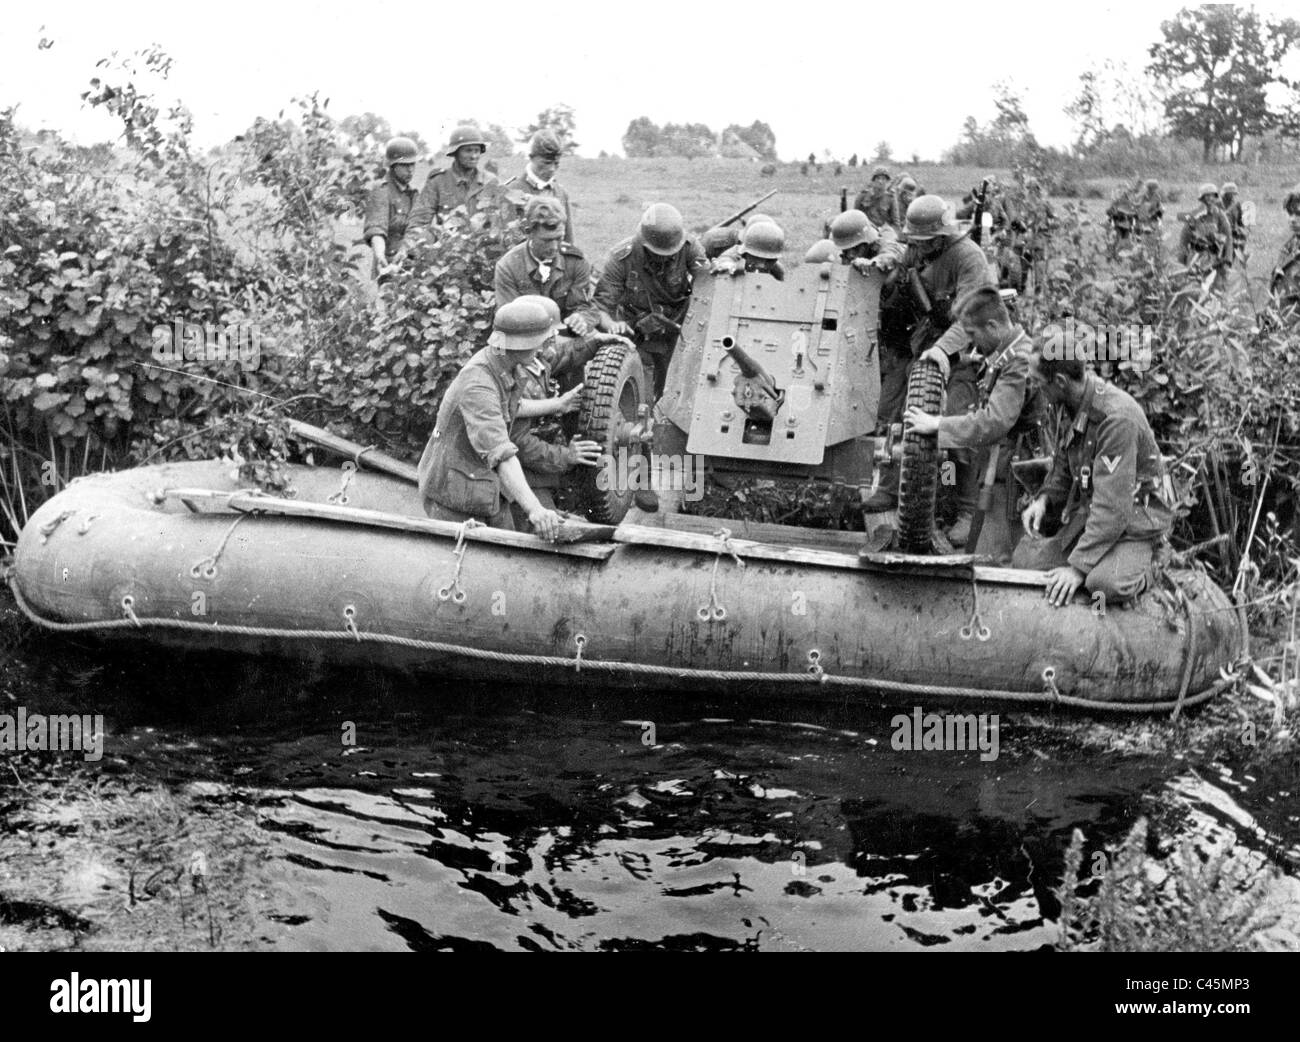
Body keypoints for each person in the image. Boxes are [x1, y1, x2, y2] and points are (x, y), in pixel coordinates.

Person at [863, 195, 995, 549]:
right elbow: (898, 260)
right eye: (914, 243)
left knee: (956, 428)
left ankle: (962, 511)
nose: (917, 248)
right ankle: (892, 489)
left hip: (966, 352)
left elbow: (971, 318)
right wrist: (881, 265)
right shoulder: (920, 251)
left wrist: (941, 350)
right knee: (902, 415)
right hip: (928, 348)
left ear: (940, 237)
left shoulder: (969, 258)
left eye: (923, 242)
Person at [416, 296, 601, 539]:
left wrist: (557, 404)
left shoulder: (505, 363)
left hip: (483, 482)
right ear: (521, 343)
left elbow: (512, 406)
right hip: (455, 495)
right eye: (539, 342)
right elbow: (501, 454)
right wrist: (535, 509)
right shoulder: (478, 385)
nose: (543, 348)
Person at [1011, 348, 1172, 606]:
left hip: (1134, 522)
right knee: (1025, 561)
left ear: (1060, 382)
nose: (1037, 389)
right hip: (1094, 516)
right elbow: (1064, 465)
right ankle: (1095, 560)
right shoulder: (1069, 404)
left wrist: (1077, 569)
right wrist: (1043, 500)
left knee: (1103, 584)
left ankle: (1154, 562)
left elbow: (1113, 507)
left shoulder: (1116, 419)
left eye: (1039, 383)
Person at [903, 287, 1039, 563]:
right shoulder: (1004, 354)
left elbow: (995, 421)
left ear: (992, 325)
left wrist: (938, 424)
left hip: (1015, 476)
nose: (973, 344)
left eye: (973, 334)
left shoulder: (1019, 360)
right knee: (978, 552)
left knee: (992, 559)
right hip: (995, 470)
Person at [595, 203, 706, 400]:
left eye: (670, 254)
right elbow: (600, 307)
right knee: (640, 397)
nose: (665, 258)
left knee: (676, 392)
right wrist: (612, 325)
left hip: (677, 329)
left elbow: (708, 286)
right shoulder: (621, 258)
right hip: (638, 332)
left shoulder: (689, 247)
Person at [495, 198, 601, 337]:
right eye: (546, 240)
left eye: (559, 238)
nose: (554, 247)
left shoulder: (575, 261)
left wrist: (581, 319)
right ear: (529, 233)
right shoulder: (509, 267)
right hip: (525, 341)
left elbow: (585, 307)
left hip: (566, 338)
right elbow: (508, 320)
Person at [408, 124, 500, 229]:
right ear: (455, 152)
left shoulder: (490, 181)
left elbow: (499, 221)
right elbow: (418, 223)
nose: (474, 156)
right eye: (468, 151)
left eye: (476, 150)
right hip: (448, 242)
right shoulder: (438, 181)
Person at [500, 130, 575, 243]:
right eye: (546, 163)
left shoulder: (561, 193)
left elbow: (568, 241)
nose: (551, 169)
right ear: (531, 157)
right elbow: (504, 239)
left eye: (556, 164)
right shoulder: (511, 190)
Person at [362, 137, 419, 275]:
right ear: (393, 166)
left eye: (412, 164)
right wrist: (380, 255)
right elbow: (376, 228)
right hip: (389, 264)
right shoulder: (382, 190)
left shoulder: (413, 194)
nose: (410, 170)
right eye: (405, 165)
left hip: (410, 263)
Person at [1178, 182, 1233, 291]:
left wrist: (1227, 260)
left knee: (1217, 290)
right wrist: (1181, 262)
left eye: (1212, 196)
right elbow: (1184, 239)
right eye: (1207, 196)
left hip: (1215, 260)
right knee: (1193, 289)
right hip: (1195, 258)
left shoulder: (1220, 215)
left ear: (1216, 197)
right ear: (1202, 198)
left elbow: (1228, 238)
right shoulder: (1194, 215)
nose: (1210, 199)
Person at [710, 220, 787, 280]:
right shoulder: (735, 254)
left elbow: (783, 282)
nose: (762, 265)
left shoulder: (776, 267)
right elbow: (725, 260)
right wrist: (729, 266)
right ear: (746, 252)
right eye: (757, 258)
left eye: (769, 260)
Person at [1269, 201, 1300, 319]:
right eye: (1290, 213)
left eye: (1298, 214)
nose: (1292, 219)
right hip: (1281, 313)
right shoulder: (1290, 245)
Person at [1221, 181, 1247, 260]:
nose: (1232, 196)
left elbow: (1240, 221)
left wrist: (1242, 230)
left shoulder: (1236, 205)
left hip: (1233, 233)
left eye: (1233, 194)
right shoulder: (1217, 204)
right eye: (1229, 193)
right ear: (1225, 194)